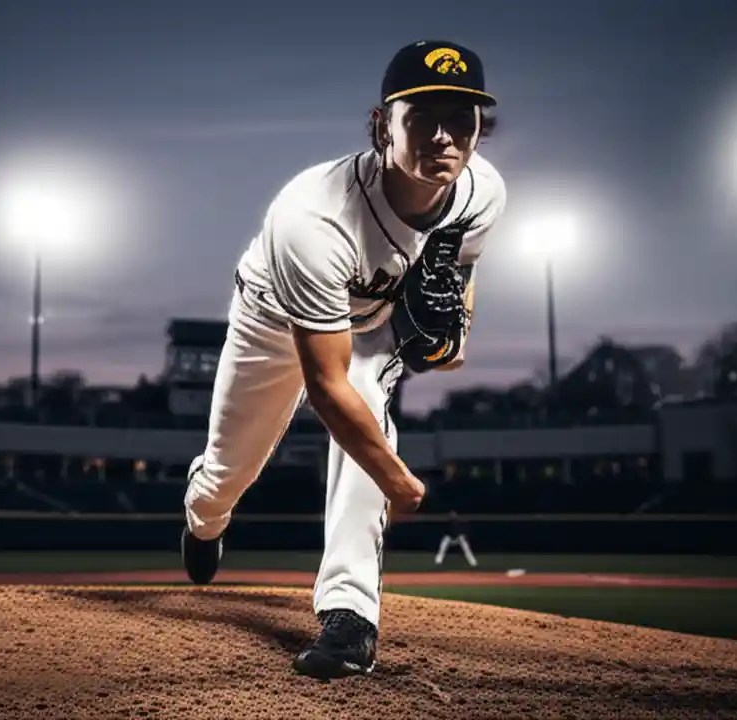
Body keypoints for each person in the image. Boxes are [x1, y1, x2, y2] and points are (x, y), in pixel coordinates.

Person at [181, 39, 507, 680]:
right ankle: (203, 516)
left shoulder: (483, 192)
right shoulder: (314, 214)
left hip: (371, 326)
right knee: (232, 466)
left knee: (372, 401)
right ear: (382, 124)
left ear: (479, 128)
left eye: (462, 118)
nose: (445, 136)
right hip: (274, 319)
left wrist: (457, 334)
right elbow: (326, 388)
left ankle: (349, 616)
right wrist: (397, 481)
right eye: (422, 117)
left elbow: (461, 269)